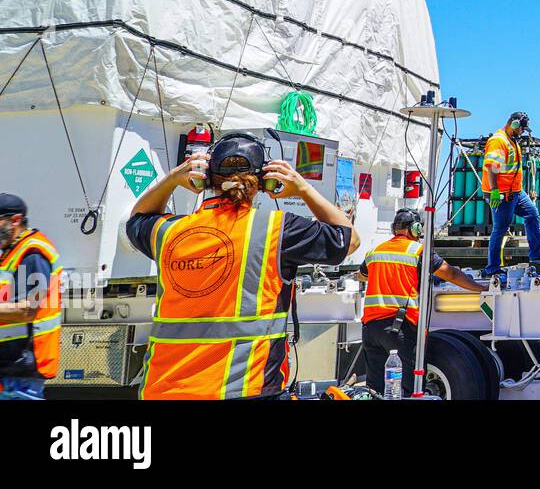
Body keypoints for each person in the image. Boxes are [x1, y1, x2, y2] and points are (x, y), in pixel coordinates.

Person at [126, 132, 359, 399]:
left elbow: (139, 217)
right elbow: (349, 240)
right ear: (264, 182)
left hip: (164, 389)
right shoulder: (276, 229)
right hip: (243, 388)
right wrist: (303, 189)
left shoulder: (167, 232)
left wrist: (174, 178)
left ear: (207, 179)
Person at [358, 208, 485, 396]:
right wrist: (481, 288)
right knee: (410, 389)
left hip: (370, 329)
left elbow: (361, 275)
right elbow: (450, 273)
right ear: (415, 229)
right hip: (398, 328)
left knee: (375, 390)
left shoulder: (375, 251)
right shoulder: (417, 251)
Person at [0, 194, 61, 400]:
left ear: (15, 220)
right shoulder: (10, 253)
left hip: (22, 372)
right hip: (11, 370)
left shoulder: (32, 253)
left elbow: (27, 309)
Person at [482, 112, 540, 276]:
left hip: (516, 192)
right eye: (522, 129)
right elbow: (491, 167)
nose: (523, 132)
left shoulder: (512, 141)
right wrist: (494, 191)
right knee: (500, 229)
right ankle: (492, 268)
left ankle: (536, 255)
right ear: (513, 125)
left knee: (532, 214)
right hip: (501, 194)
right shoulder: (498, 141)